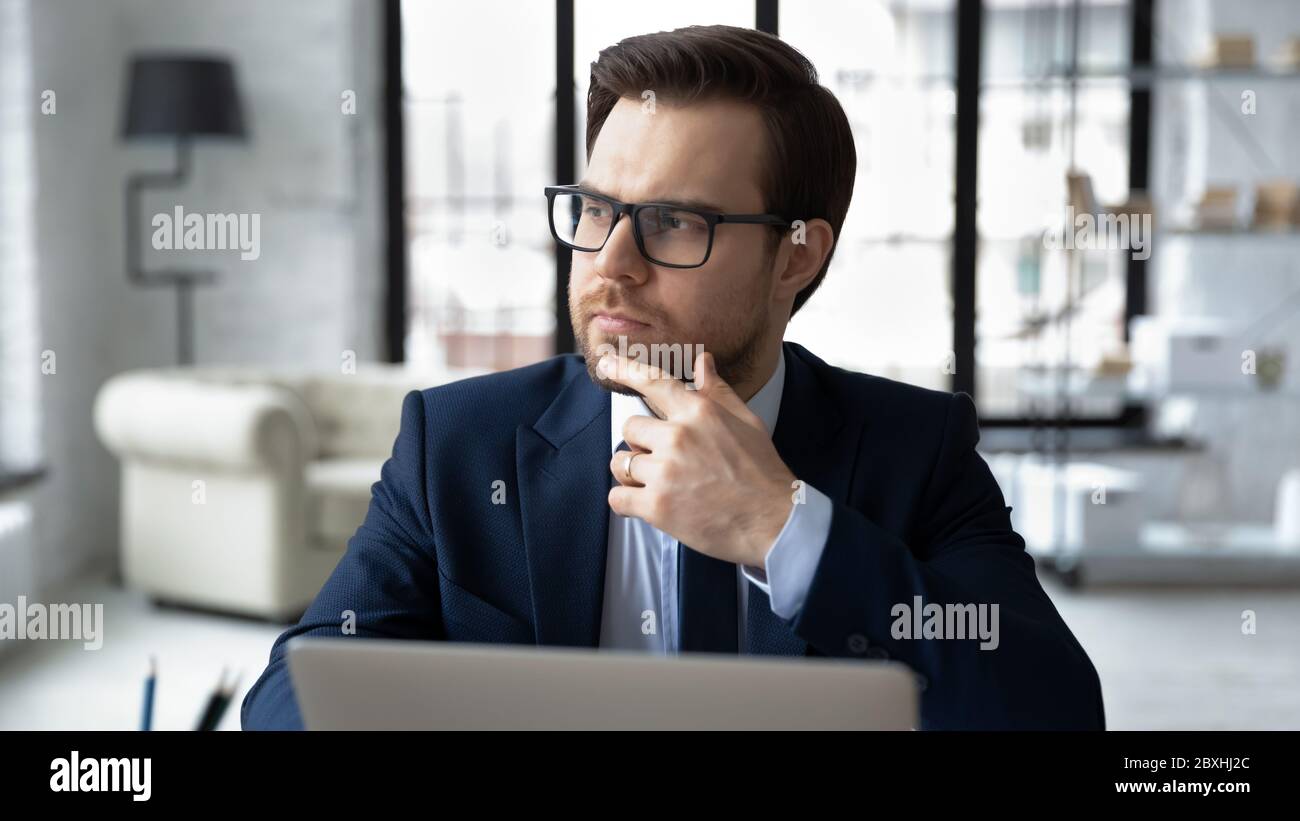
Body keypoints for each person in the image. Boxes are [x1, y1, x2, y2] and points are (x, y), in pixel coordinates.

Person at [242, 24, 1104, 731]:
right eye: (595, 210)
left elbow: (1055, 712)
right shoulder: (458, 444)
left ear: (796, 256)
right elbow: (293, 694)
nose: (611, 263)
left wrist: (782, 526)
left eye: (674, 221)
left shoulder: (916, 451)